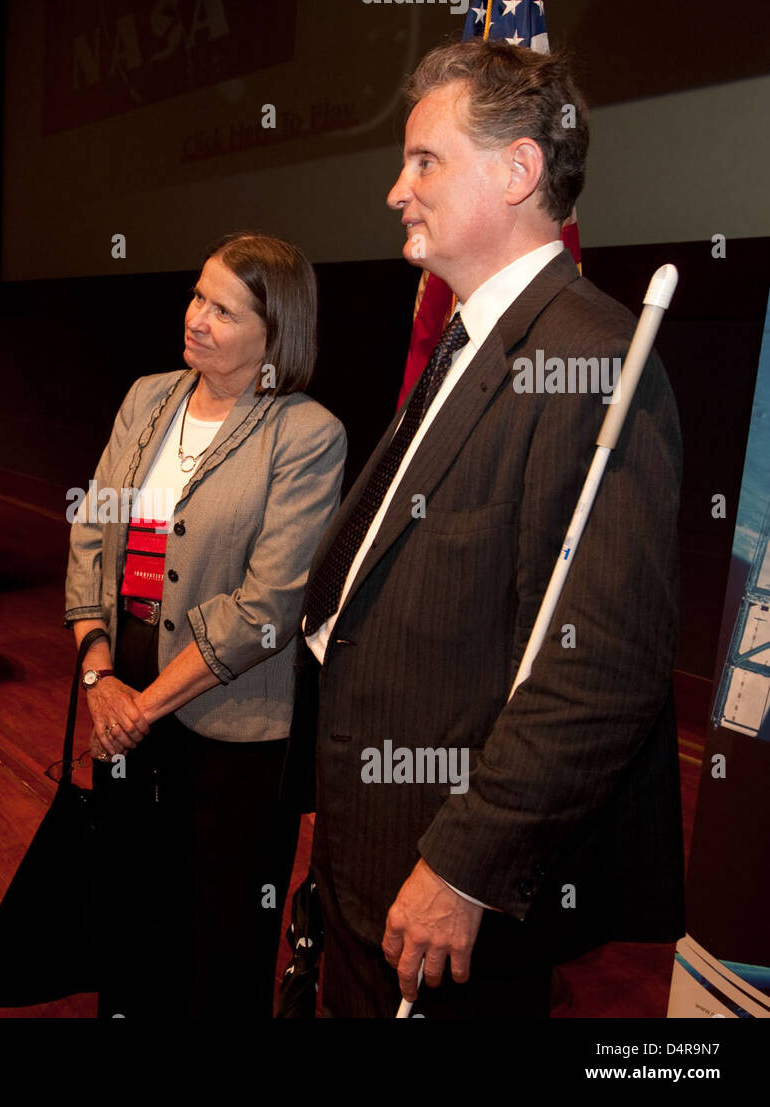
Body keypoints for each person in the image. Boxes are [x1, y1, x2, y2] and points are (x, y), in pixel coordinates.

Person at [297, 40, 684, 1018]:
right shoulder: (468, 343)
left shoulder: (593, 363)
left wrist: (466, 865)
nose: (396, 190)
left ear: (518, 171)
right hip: (370, 839)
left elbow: (601, 670)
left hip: (448, 881)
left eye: (422, 161)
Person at [64, 232, 347, 1017]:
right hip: (116, 697)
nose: (196, 318)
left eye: (223, 310)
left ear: (274, 333)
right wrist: (98, 676)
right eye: (197, 296)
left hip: (231, 735)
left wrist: (140, 707)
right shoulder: (146, 397)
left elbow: (268, 606)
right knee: (128, 918)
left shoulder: (306, 433)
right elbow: (94, 538)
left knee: (219, 943)